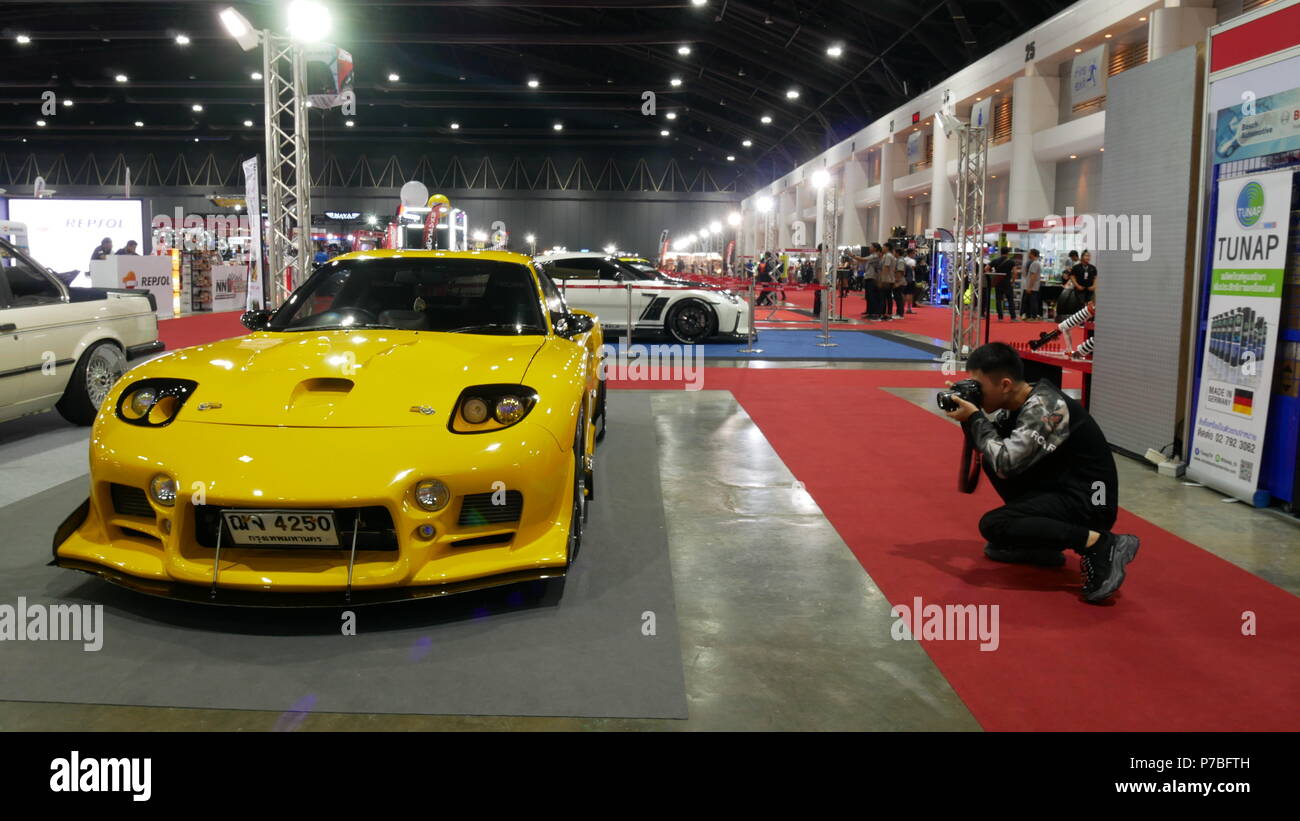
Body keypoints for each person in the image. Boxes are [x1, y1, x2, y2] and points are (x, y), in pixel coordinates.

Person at [942, 342, 1139, 602]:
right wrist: (971, 419)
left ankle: (1100, 543)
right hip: (1065, 489)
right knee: (994, 448)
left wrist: (976, 419)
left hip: (1092, 504)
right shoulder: (1019, 405)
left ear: (1005, 384)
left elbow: (1005, 463)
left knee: (995, 524)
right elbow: (999, 456)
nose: (976, 393)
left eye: (979, 387)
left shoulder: (1046, 407)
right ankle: (1039, 547)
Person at [1021, 248, 1043, 320]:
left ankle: (1033, 316)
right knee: (1029, 301)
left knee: (1033, 302)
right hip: (1032, 286)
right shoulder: (1035, 263)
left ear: (1032, 254)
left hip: (1033, 287)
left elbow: (1033, 276)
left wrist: (1030, 287)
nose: (1028, 254)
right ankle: (1029, 315)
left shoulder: (1035, 263)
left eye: (1029, 253)